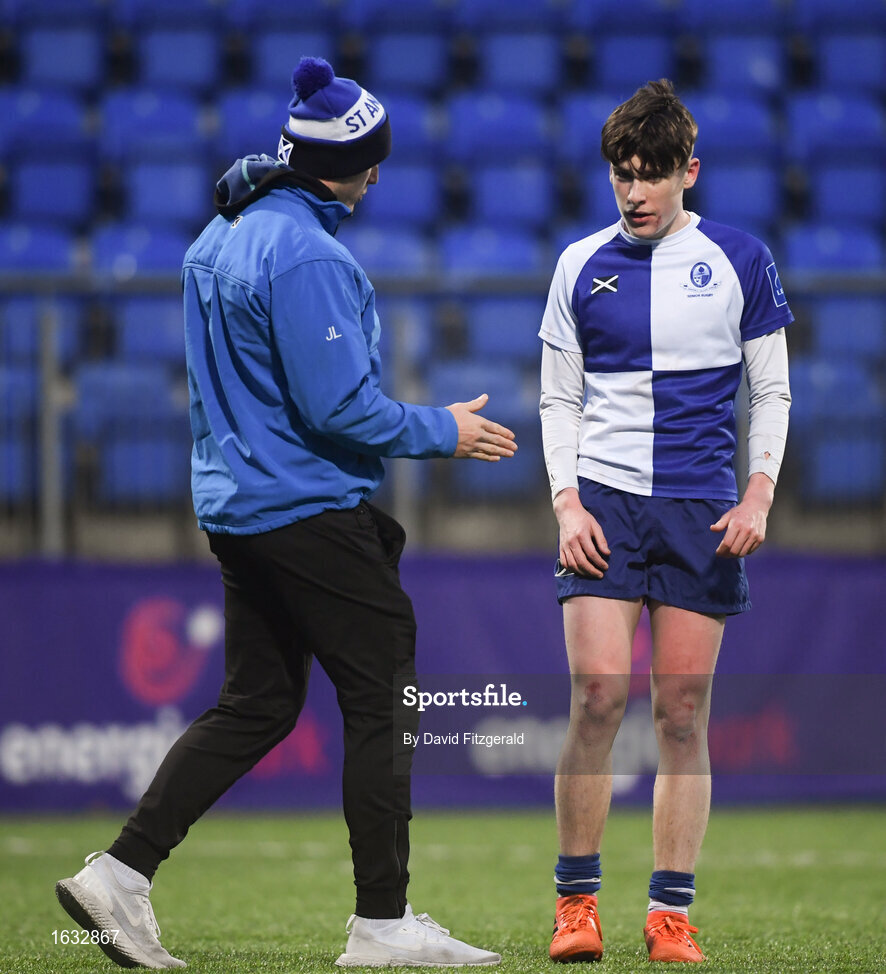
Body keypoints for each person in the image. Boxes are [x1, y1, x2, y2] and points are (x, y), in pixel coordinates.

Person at [56, 57, 514, 970]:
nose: (379, 176)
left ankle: (120, 872)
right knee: (385, 693)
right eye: (373, 160)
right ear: (345, 166)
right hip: (304, 507)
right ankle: (382, 925)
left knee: (257, 704)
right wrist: (444, 429)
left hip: (235, 508)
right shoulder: (306, 253)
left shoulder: (215, 237)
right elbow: (338, 408)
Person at [539, 80, 791, 964]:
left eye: (650, 175)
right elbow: (557, 399)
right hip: (602, 503)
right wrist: (566, 501)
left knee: (682, 713)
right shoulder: (578, 265)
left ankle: (670, 914)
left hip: (699, 508)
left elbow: (771, 389)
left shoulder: (740, 259)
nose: (634, 193)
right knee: (598, 696)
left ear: (690, 171)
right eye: (621, 176)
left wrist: (758, 490)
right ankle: (577, 907)